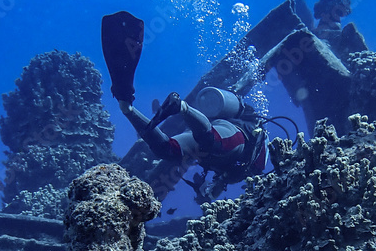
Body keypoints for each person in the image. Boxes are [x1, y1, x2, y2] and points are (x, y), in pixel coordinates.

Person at [102, 11, 267, 202]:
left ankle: (127, 107)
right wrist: (214, 190)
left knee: (167, 150)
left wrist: (205, 194)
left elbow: (217, 185)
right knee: (212, 140)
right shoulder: (250, 169)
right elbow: (228, 176)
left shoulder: (223, 173)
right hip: (237, 136)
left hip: (213, 138)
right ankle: (181, 107)